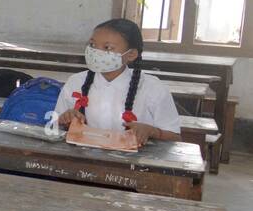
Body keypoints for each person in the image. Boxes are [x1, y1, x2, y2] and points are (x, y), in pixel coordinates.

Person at [53, 18, 182, 144]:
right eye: (92, 45)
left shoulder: (152, 88)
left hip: (135, 162)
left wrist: (152, 131)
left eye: (108, 47)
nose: (96, 52)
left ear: (131, 54)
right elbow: (54, 128)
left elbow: (175, 138)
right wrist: (65, 120)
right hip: (84, 159)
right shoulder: (76, 82)